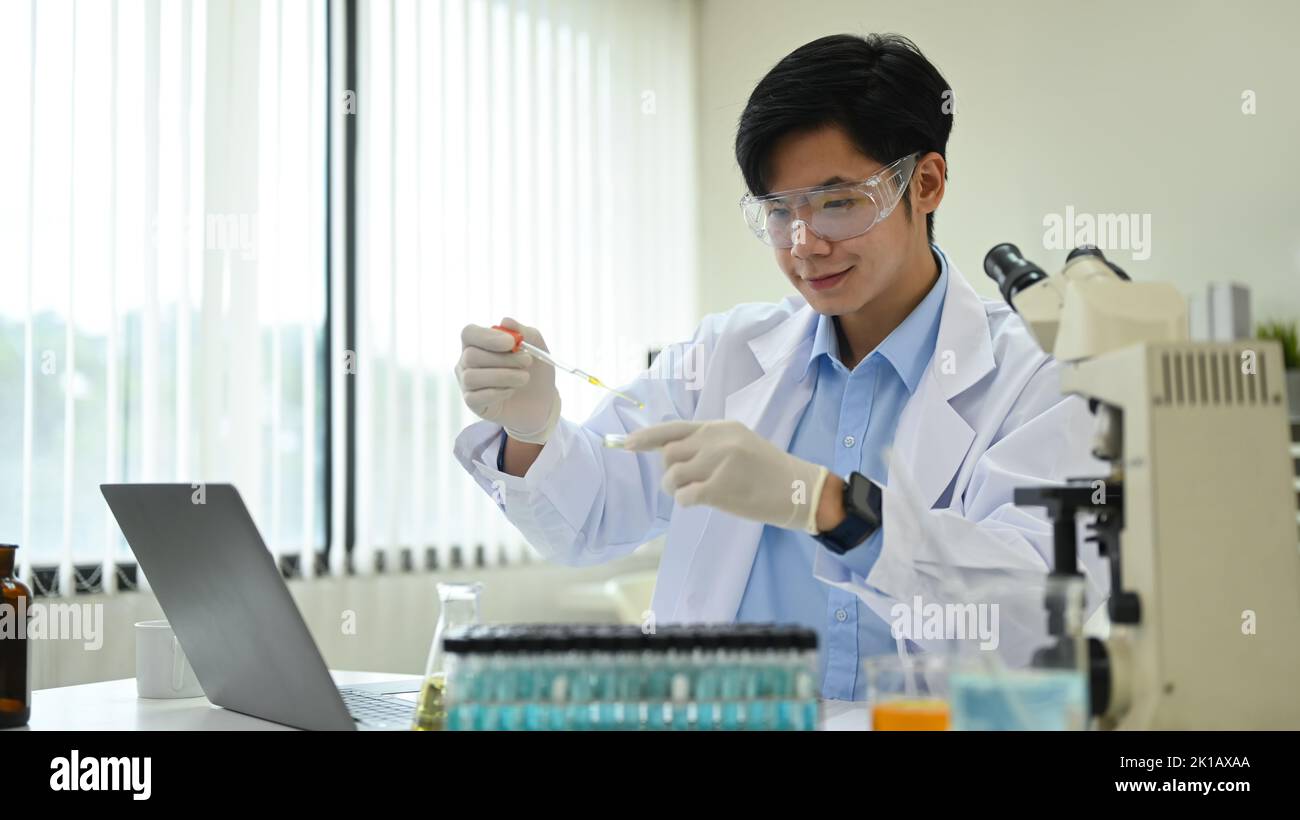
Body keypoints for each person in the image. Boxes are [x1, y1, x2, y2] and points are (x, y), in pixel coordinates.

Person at [453, 33, 1106, 700]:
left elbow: (1036, 614)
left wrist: (831, 506)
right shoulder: (726, 357)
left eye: (838, 202)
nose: (805, 245)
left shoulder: (1044, 378)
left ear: (927, 183)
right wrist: (534, 430)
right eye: (778, 211)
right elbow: (589, 519)